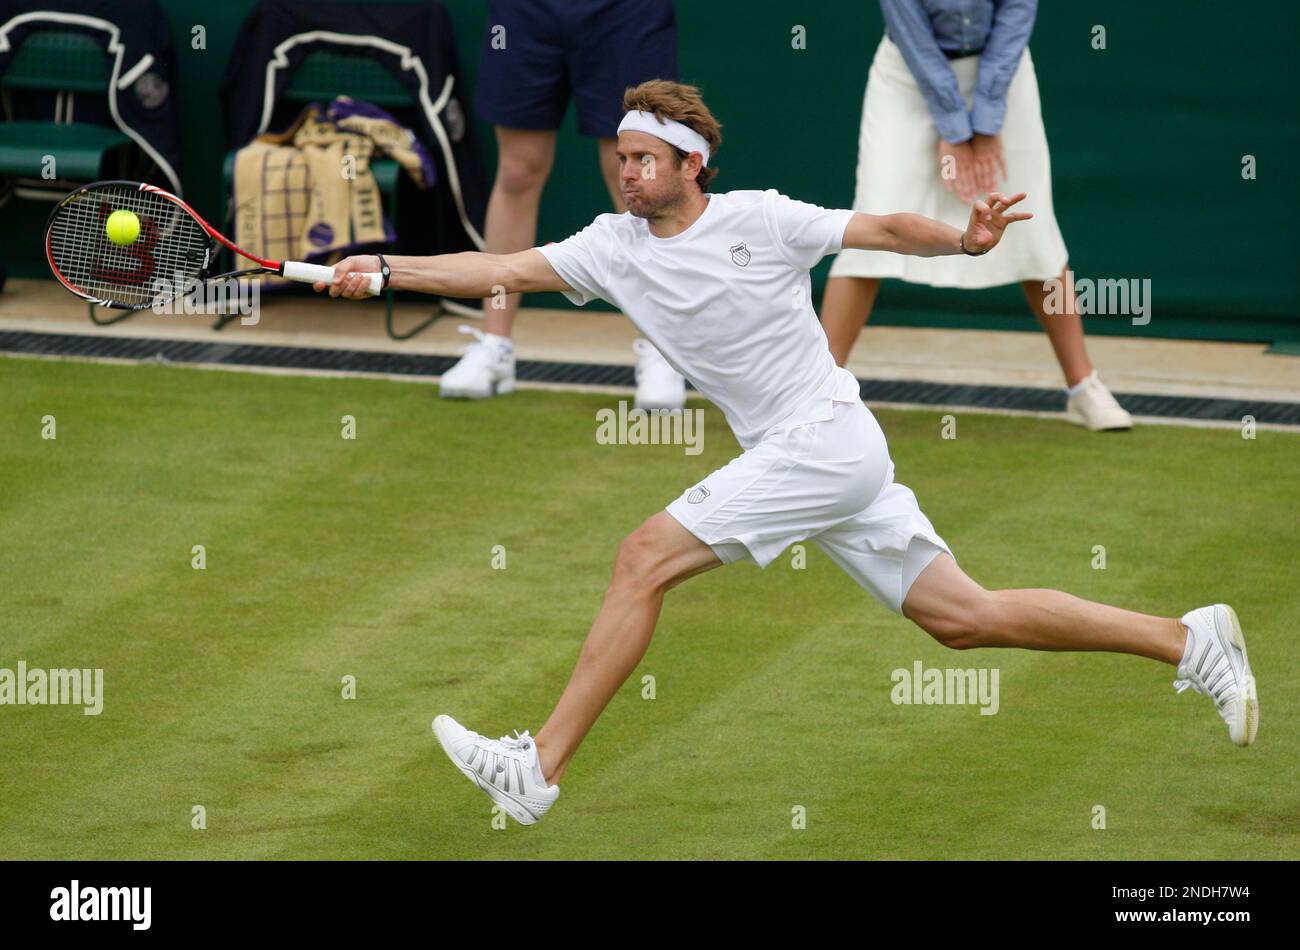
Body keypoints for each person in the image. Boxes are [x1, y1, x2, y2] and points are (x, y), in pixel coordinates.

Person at [316, 81, 1259, 826]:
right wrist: (389, 267)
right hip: (821, 453)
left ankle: (538, 767)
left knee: (643, 556)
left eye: (645, 160)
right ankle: (1187, 641)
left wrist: (965, 244)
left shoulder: (760, 219)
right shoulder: (612, 246)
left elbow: (881, 229)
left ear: (693, 164)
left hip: (825, 442)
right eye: (622, 158)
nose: (627, 174)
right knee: (963, 618)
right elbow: (502, 269)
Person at [821, 0, 1132, 431]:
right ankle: (817, 395)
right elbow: (908, 25)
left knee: (1032, 230)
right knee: (870, 231)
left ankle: (1084, 388)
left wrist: (985, 123)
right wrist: (955, 126)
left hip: (1003, 78)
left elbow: (1017, 12)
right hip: (908, 76)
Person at [441, 0, 686, 410]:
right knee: (518, 169)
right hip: (527, 13)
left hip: (626, 13)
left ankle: (663, 349)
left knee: (632, 177)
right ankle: (496, 345)